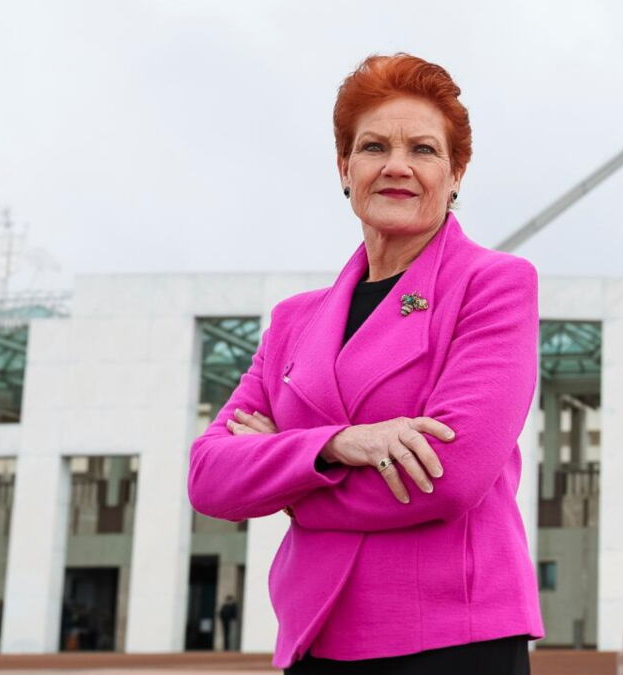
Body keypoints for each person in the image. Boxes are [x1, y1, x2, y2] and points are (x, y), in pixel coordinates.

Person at [187, 53, 543, 674]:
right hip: (315, 635)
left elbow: (450, 476)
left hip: (452, 639)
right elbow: (210, 476)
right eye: (374, 146)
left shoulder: (494, 285)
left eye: (425, 150)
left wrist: (290, 479)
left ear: (456, 173)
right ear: (345, 168)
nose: (397, 166)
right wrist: (339, 445)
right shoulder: (295, 321)